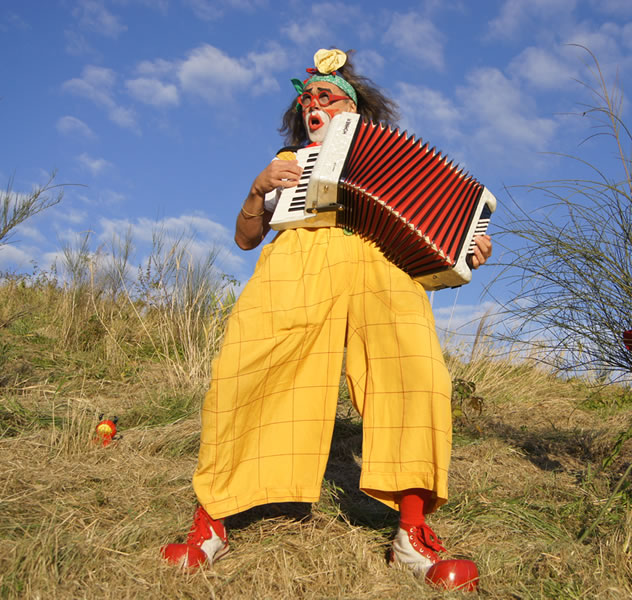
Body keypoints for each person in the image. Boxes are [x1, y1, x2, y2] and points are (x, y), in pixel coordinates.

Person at [161, 49, 492, 589]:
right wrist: (256, 189)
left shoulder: (395, 165)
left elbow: (439, 236)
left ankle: (412, 536)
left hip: (380, 265)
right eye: (305, 97)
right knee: (247, 370)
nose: (312, 102)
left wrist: (467, 248)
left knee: (415, 378)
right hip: (299, 261)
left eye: (325, 95)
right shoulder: (286, 163)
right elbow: (246, 238)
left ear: (353, 108)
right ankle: (211, 523)